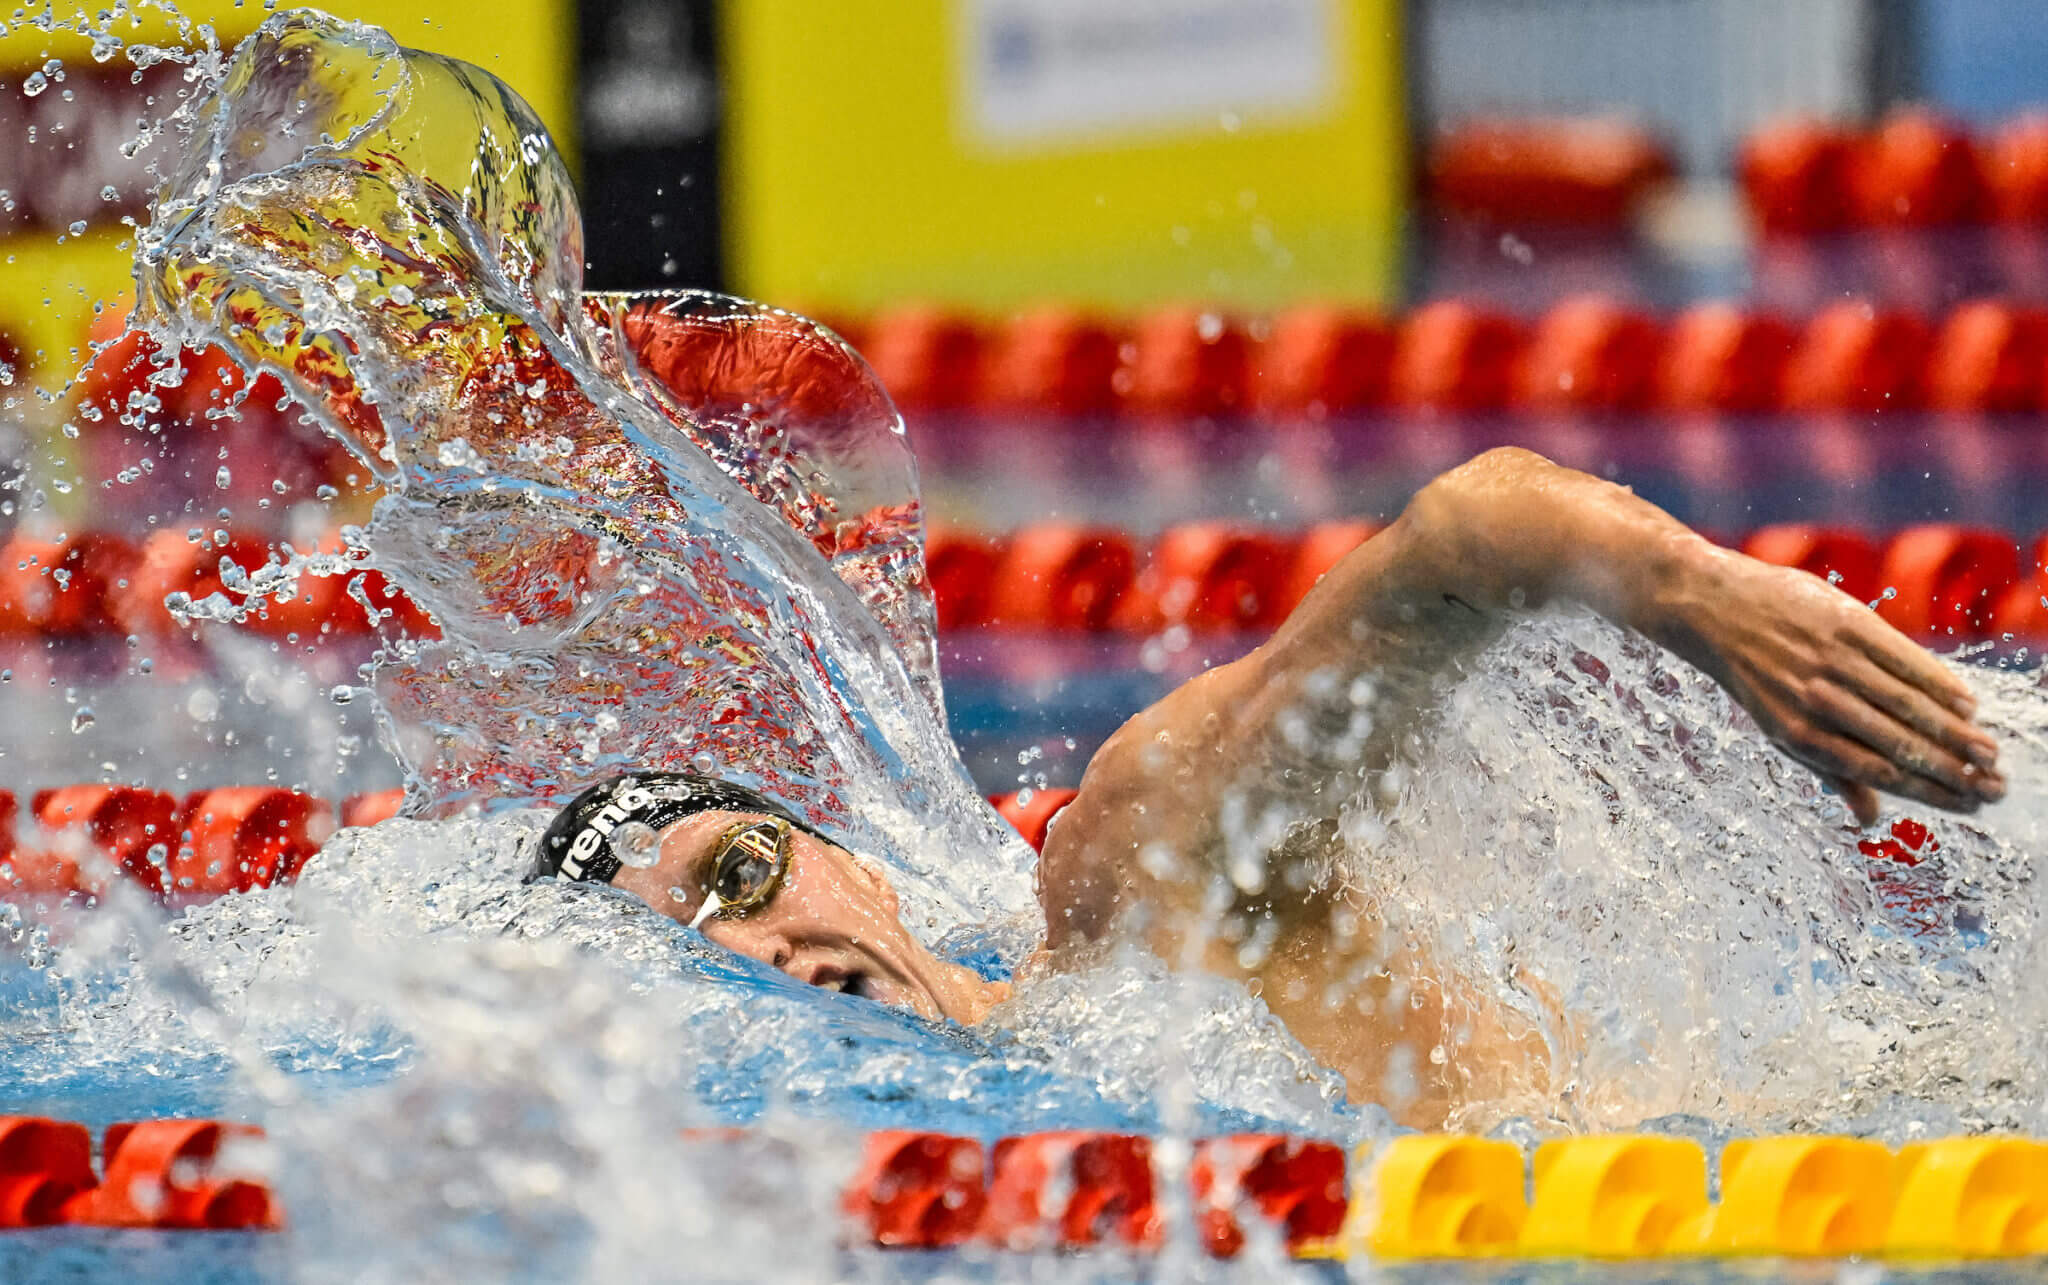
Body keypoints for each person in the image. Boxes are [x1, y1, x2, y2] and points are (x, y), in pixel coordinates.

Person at [537, 447, 2005, 1129]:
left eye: (736, 875)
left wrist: (1703, 597)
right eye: (690, 949)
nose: (755, 949)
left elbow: (1465, 536)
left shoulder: (1138, 883)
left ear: (845, 858)